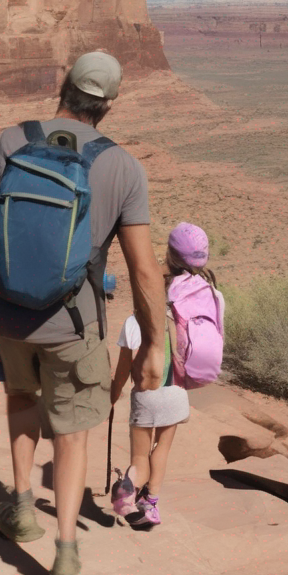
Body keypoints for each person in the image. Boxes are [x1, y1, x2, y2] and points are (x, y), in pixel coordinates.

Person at [0, 51, 166, 575]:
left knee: (20, 398)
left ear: (63, 86)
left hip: (6, 318)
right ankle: (66, 552)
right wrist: (154, 343)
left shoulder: (11, 140)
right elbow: (145, 270)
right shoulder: (123, 167)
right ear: (110, 105)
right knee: (72, 435)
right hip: (75, 327)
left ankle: (22, 504)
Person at [109, 222, 224, 527]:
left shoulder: (136, 322)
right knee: (163, 449)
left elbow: (123, 367)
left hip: (147, 394)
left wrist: (113, 391)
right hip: (177, 390)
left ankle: (126, 496)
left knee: (139, 458)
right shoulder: (197, 298)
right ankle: (152, 505)